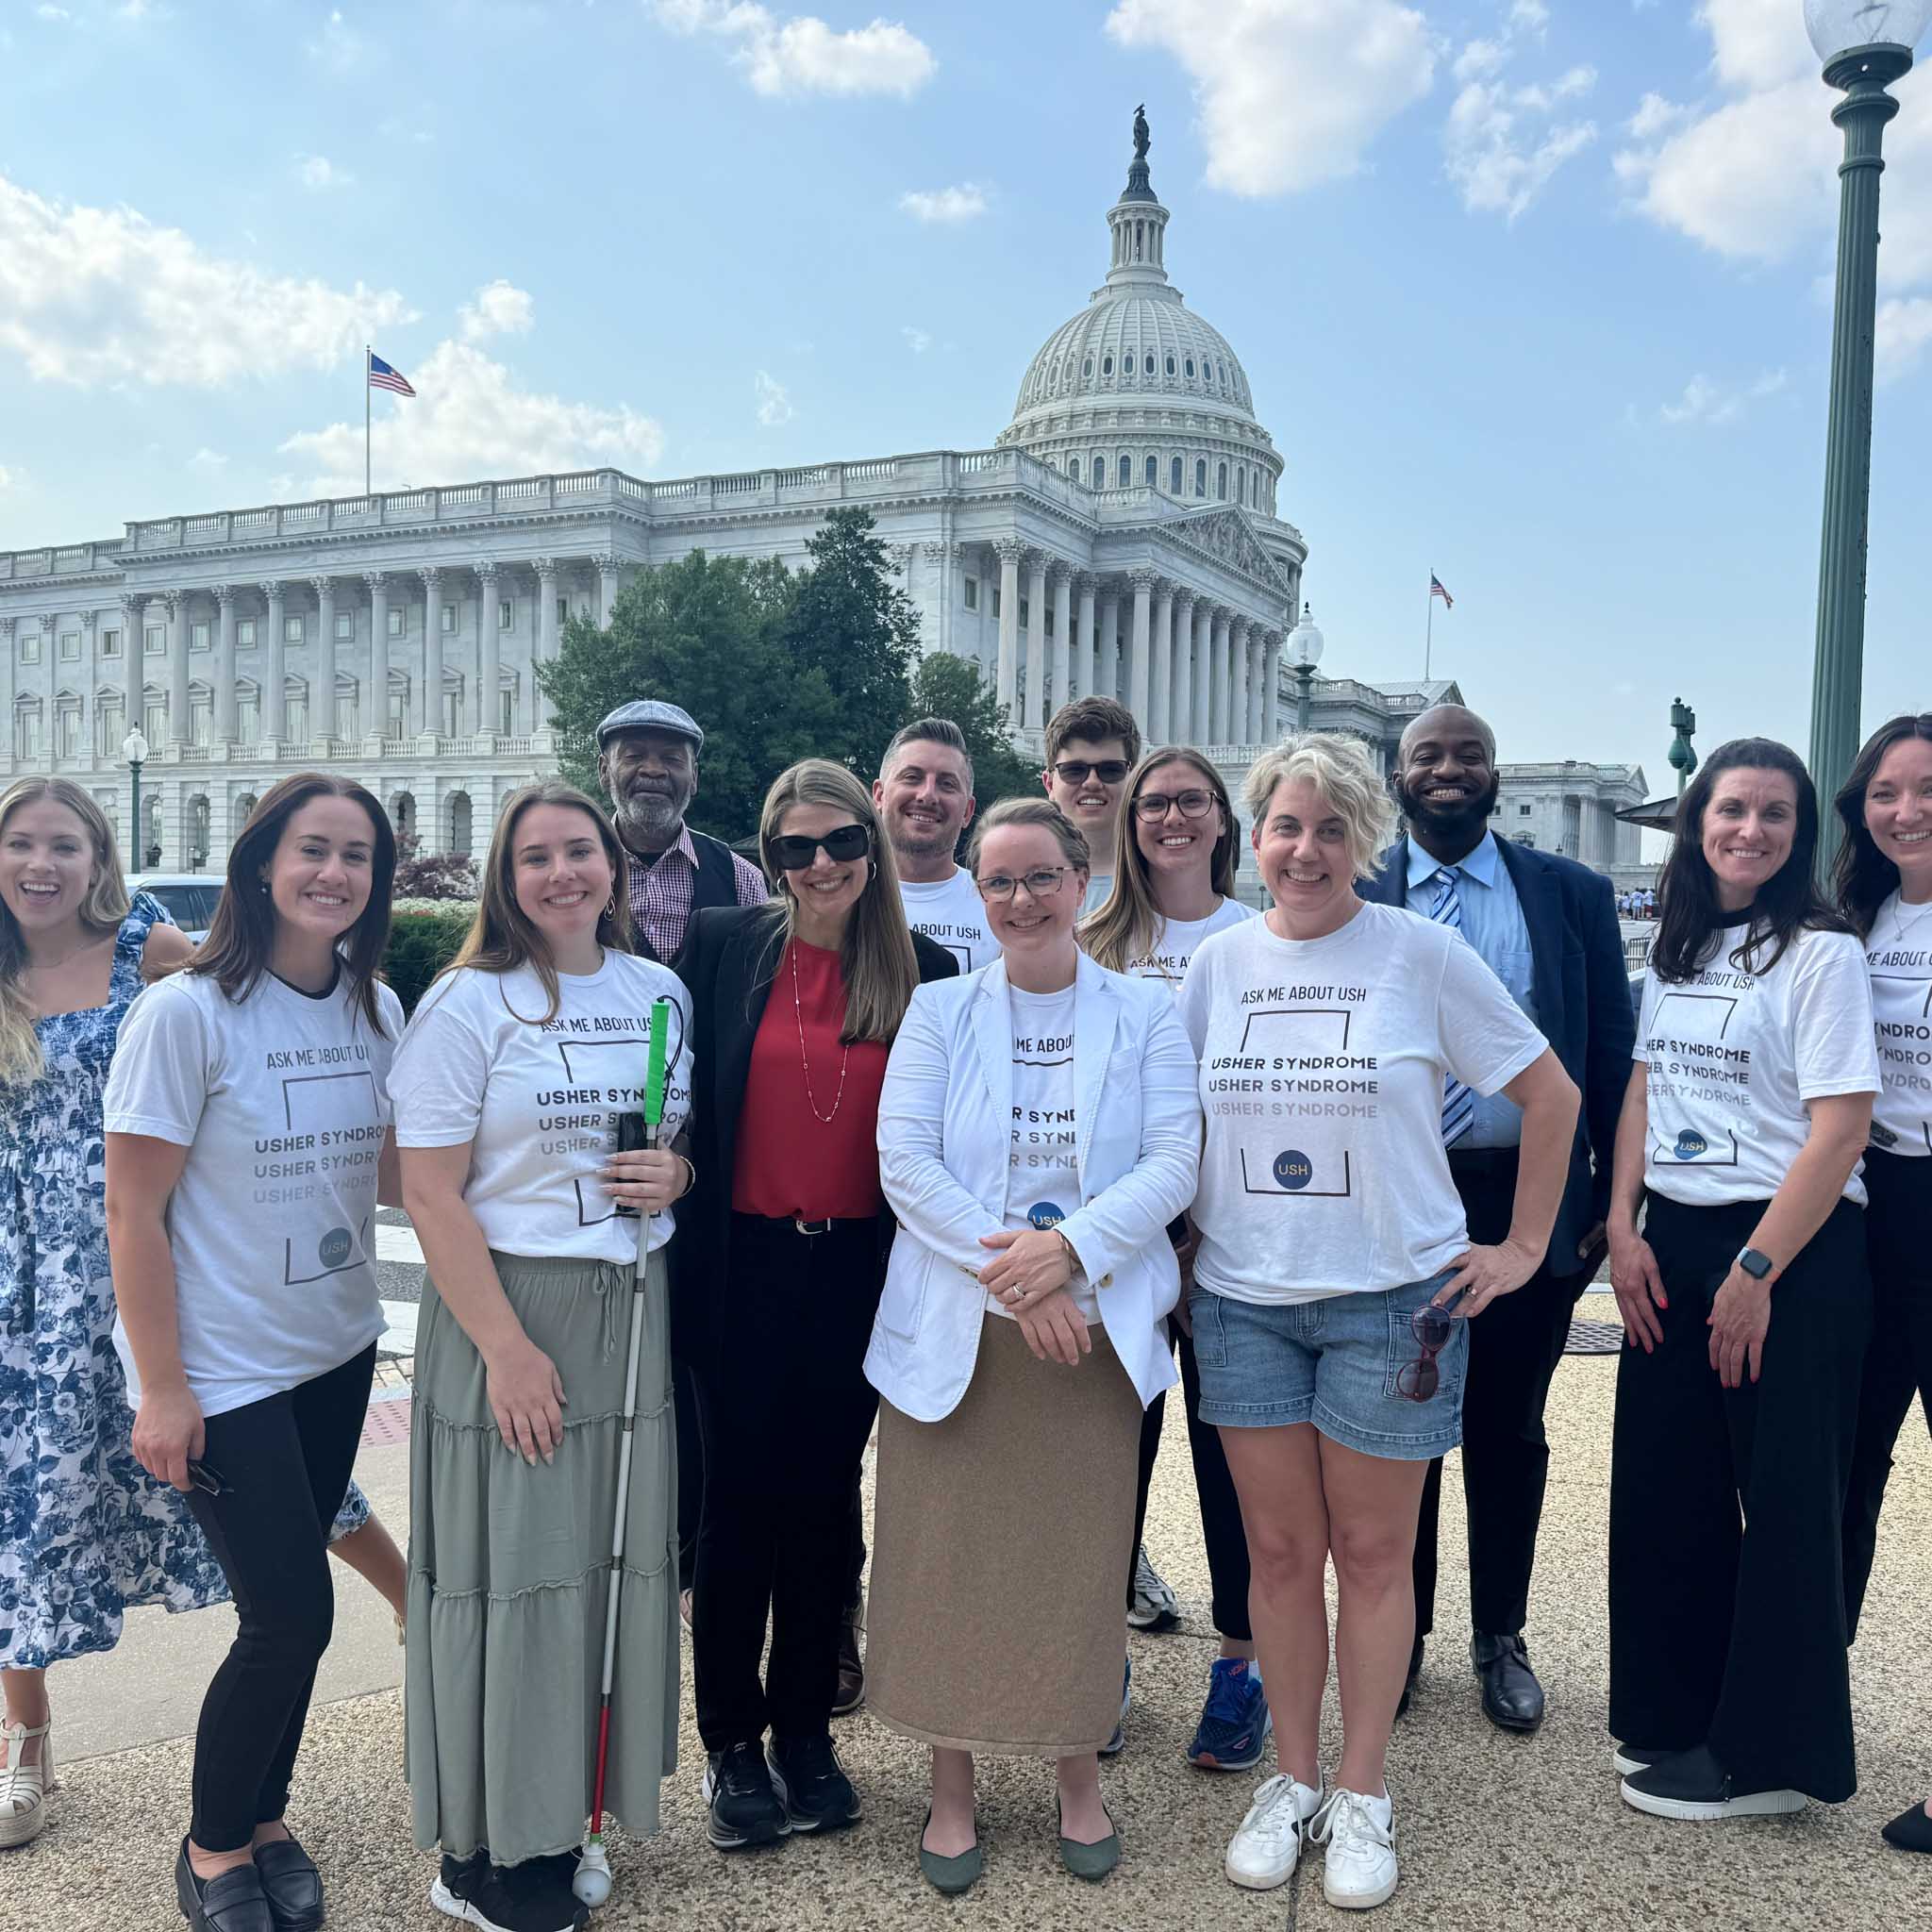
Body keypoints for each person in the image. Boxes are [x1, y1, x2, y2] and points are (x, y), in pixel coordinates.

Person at [1176, 734, 1577, 1911]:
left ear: (1364, 838)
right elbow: (1178, 1126)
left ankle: (1362, 1788)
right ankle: (1288, 1777)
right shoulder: (1217, 963)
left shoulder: (1421, 952)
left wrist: (1517, 1249)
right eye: (1286, 826)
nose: (1306, 851)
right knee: (1280, 1557)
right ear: (1253, 837)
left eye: (1332, 828)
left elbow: (1547, 1093)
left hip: (1388, 1301)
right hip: (1247, 1300)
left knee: (1370, 1553)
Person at [864, 796, 1200, 1892]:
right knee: (947, 1562)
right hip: (962, 1327)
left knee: (1074, 1562)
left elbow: (1171, 1159)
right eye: (997, 881)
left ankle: (1075, 1777)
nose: (1019, 899)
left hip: (1087, 1333)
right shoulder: (939, 1008)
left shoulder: (1143, 1014)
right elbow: (904, 1160)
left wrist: (1069, 1255)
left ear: (1082, 880)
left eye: (1039, 876)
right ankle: (950, 1785)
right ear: (978, 893)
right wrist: (1016, 1270)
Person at [105, 774, 403, 1932]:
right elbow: (132, 1213)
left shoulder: (374, 1008)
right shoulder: (185, 1014)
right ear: (261, 863)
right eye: (312, 849)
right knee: (288, 1614)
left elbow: (391, 1172)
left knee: (291, 1613)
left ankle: (268, 1817)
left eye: (357, 857)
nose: (334, 873)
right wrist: (162, 1386)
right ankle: (215, 1841)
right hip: (223, 1367)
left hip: (335, 1345)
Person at [393, 779, 691, 1932]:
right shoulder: (466, 1003)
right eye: (536, 857)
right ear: (504, 880)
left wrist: (678, 1176)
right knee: (513, 1577)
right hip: (508, 1312)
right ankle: (486, 1850)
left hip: (630, 1301)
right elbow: (428, 1190)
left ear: (611, 865)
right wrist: (507, 1347)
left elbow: (673, 1144)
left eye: (580, 850)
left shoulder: (656, 990)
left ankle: (566, 1812)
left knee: (602, 1576)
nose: (563, 872)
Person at [676, 759, 955, 1856]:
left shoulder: (921, 970)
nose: (820, 864)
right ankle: (730, 1744)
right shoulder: (718, 947)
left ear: (870, 846)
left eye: (840, 841)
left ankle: (805, 1732)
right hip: (739, 1262)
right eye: (793, 847)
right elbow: (664, 1088)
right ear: (769, 858)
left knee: (825, 1507)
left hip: (857, 1269)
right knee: (736, 1509)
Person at [1607, 739, 1877, 1824]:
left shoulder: (1821, 954)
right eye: (1730, 809)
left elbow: (1841, 1126)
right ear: (1695, 821)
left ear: (1798, 829)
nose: (1749, 830)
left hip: (1787, 1250)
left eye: (1774, 813)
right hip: (1667, 1241)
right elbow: (1637, 1090)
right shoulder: (1671, 947)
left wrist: (1756, 1266)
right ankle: (1673, 1712)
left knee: (1780, 1504)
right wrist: (1620, 1229)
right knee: (1663, 1485)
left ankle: (1768, 1755)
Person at [1361, 705, 1634, 1732]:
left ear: (1493, 773)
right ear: (1396, 773)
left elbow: (1604, 1058)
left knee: (1507, 1426)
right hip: (1396, 1197)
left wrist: (1610, 1202)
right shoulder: (1355, 890)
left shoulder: (1567, 896)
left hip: (1529, 1195)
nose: (1447, 769)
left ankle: (1499, 1633)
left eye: (1466, 754)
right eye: (1426, 753)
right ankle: (1405, 1637)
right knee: (1398, 1428)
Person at [0, 780, 222, 1850]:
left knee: (257, 1458)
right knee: (28, 1501)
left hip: (152, 1249)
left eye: (64, 844)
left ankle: (419, 1613)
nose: (40, 863)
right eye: (20, 843)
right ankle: (27, 1740)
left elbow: (250, 1021)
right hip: (28, 1277)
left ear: (98, 860)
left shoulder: (149, 944)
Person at [1081, 749, 1264, 1770]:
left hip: (1233, 1247)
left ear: (1220, 820)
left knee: (1235, 1468)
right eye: (1153, 802)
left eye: (1190, 801)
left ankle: (1242, 1665)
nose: (1170, 818)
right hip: (1120, 1247)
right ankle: (1092, 1657)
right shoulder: (1092, 938)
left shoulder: (1256, 936)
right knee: (1111, 1463)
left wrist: (1203, 1236)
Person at [1830, 713, 1932, 1857]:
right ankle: (1808, 1692)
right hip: (1870, 1210)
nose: (1903, 809)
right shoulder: (1855, 918)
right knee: (1843, 1464)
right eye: (1883, 793)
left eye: (1923, 787)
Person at [598, 699, 768, 965]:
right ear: (604, 771)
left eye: (672, 759)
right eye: (633, 756)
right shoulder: (571, 877)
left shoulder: (743, 880)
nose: (653, 770)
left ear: (694, 777)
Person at [874, 718, 999, 974]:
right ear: (879, 795)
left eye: (947, 784)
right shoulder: (843, 901)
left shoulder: (1000, 906)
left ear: (968, 811)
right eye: (912, 777)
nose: (928, 795)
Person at [1041, 695, 1141, 918]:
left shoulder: (1162, 884)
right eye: (1074, 770)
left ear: (1133, 780)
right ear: (1049, 784)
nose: (1092, 783)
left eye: (1110, 770)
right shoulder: (1018, 885)